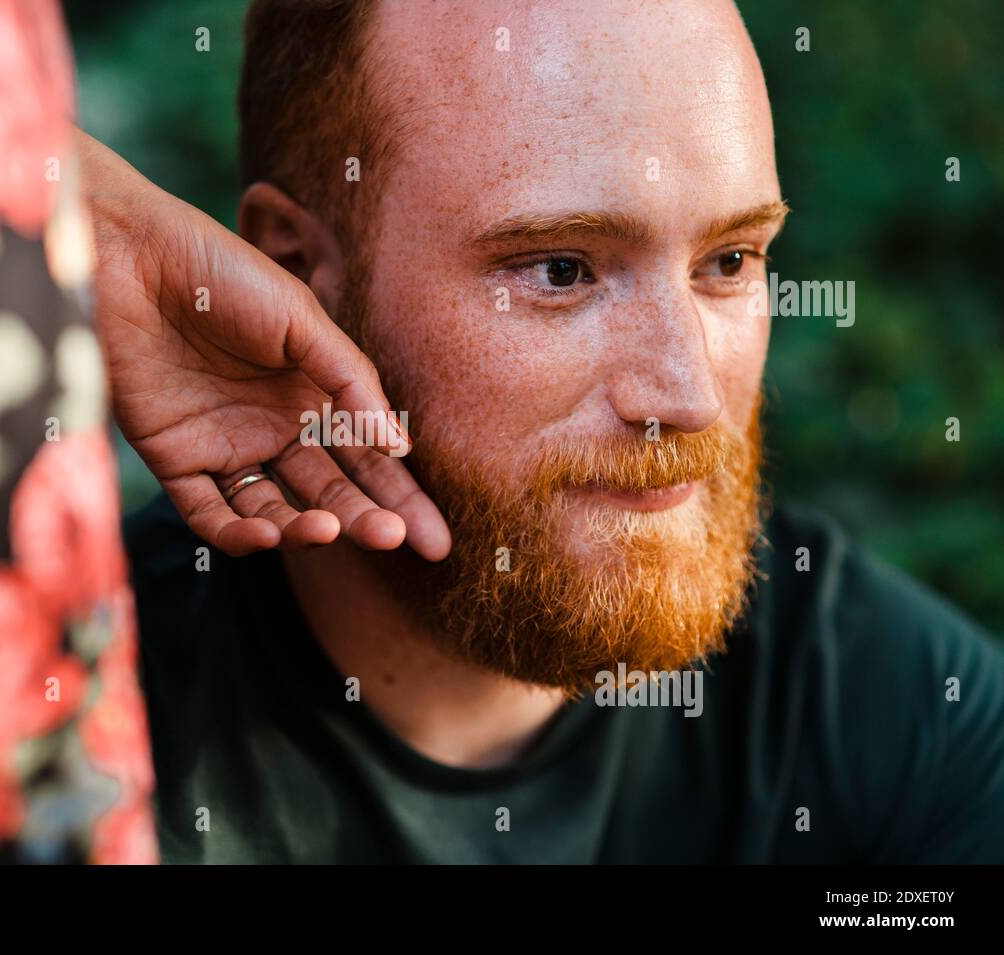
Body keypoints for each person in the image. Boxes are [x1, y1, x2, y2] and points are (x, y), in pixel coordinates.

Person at [96, 0, 1004, 863]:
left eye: (728, 261)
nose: (686, 396)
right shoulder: (58, 714)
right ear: (296, 274)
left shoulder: (905, 723)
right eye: (562, 271)